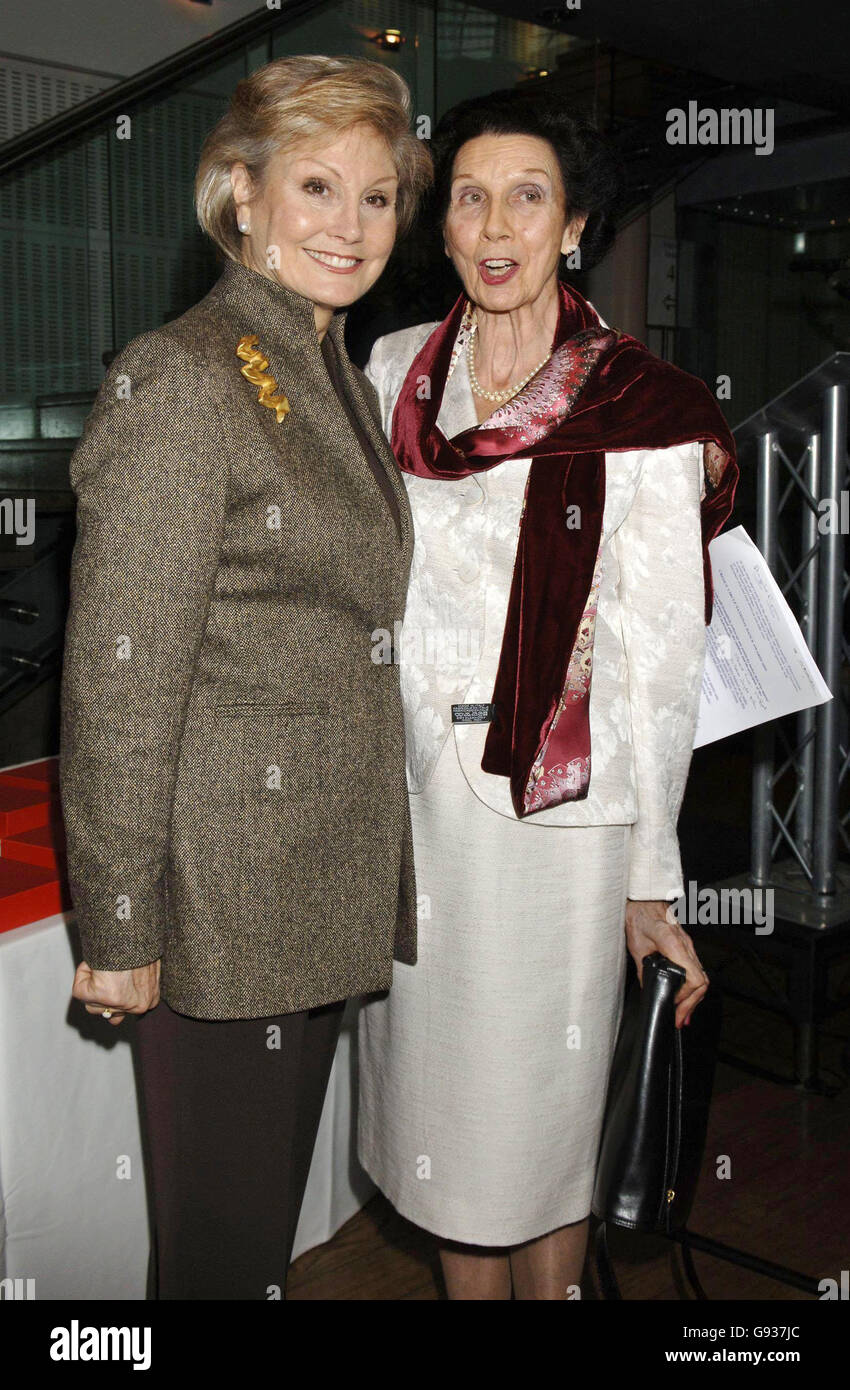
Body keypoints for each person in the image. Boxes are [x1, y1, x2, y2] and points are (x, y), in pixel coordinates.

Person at [60, 54, 431, 1300]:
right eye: (316, 186)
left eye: (378, 197)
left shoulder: (327, 371)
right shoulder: (185, 375)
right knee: (218, 1262)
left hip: (310, 882)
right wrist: (119, 924)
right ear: (242, 196)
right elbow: (121, 678)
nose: (349, 224)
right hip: (220, 900)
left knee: (255, 1244)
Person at [357, 88, 738, 1300]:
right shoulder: (386, 373)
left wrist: (651, 883)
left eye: (528, 194)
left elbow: (660, 660)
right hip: (414, 820)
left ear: (573, 225)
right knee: (446, 1135)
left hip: (563, 823)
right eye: (469, 194)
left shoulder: (640, 405)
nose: (495, 221)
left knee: (543, 1132)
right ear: (445, 223)